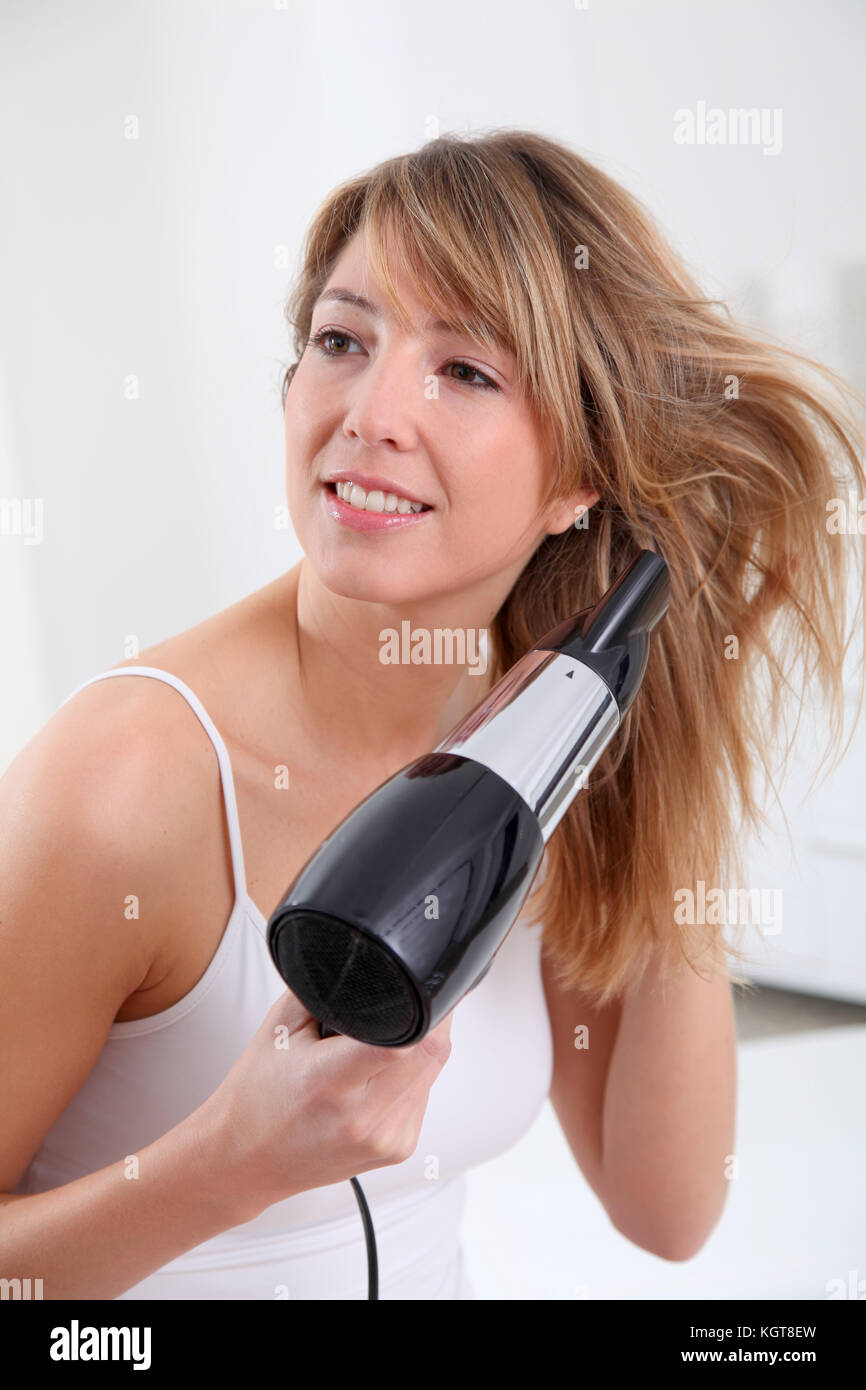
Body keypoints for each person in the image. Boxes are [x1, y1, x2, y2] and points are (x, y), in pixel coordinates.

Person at [1, 129, 864, 1300]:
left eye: (464, 370)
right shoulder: (127, 785)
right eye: (340, 340)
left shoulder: (532, 751)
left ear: (578, 480)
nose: (368, 412)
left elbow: (665, 1205)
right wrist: (227, 1166)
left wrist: (669, 732)